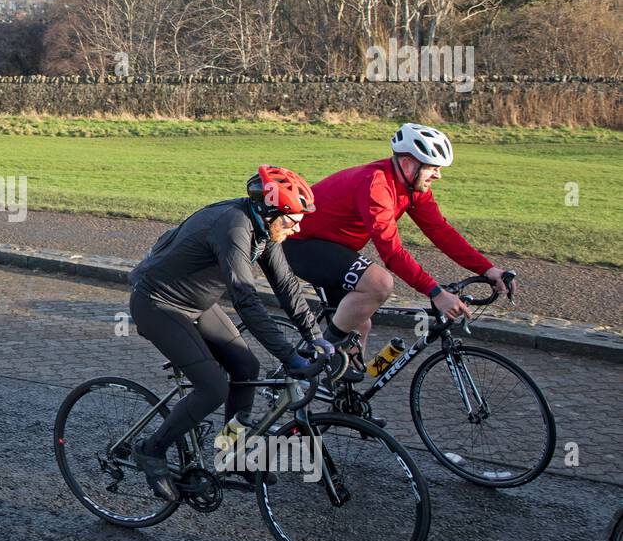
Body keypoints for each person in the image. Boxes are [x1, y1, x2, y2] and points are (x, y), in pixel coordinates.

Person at [128, 166, 332, 501]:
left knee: (246, 369)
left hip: (197, 304)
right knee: (213, 388)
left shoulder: (265, 230)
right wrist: (290, 356)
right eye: (292, 220)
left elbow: (287, 288)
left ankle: (233, 453)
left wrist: (315, 337)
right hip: (157, 305)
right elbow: (247, 302)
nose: (297, 228)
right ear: (269, 212)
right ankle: (151, 449)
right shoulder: (233, 227)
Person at [282, 123, 516, 361]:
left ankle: (341, 392)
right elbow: (392, 252)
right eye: (433, 168)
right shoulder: (376, 185)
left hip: (336, 248)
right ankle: (314, 359)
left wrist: (487, 269)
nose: (438, 175)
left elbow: (440, 231)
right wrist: (435, 292)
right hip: (303, 243)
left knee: (359, 324)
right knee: (379, 283)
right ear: (408, 164)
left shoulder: (414, 188)